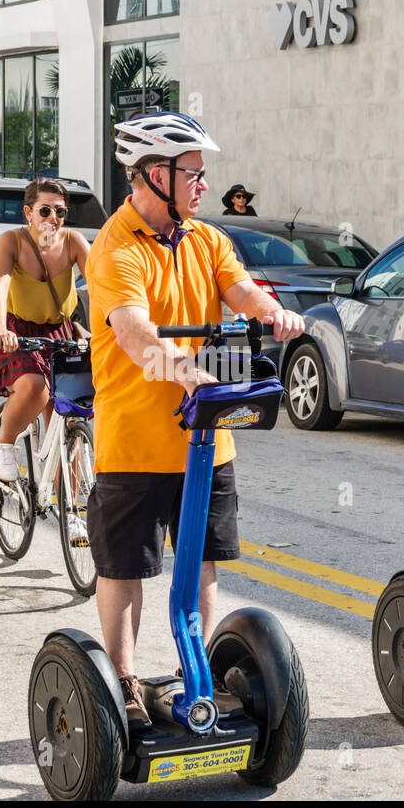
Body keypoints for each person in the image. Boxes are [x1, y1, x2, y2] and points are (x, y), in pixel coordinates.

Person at [85, 112, 303, 723]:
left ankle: (195, 674)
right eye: (193, 173)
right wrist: (182, 368)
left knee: (201, 562)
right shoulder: (115, 247)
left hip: (208, 440)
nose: (204, 184)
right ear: (156, 174)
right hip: (133, 442)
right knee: (125, 569)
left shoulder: (208, 240)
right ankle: (124, 683)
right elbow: (131, 331)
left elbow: (242, 291)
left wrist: (271, 312)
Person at [0, 178, 90, 499]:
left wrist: (115, 325)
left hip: (58, 331)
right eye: (44, 210)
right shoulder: (13, 241)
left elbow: (101, 284)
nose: (53, 218)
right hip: (14, 330)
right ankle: (4, 443)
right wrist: (1, 328)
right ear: (28, 213)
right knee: (36, 387)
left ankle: (70, 508)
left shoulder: (73, 242)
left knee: (70, 418)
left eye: (60, 211)